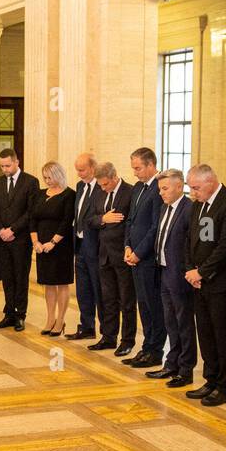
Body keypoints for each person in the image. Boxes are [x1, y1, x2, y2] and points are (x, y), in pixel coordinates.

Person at [184, 164, 226, 407]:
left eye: (196, 188)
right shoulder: (199, 204)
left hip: (220, 283)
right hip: (198, 282)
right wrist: (190, 270)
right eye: (191, 188)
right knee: (205, 333)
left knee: (222, 334)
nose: (193, 193)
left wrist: (202, 272)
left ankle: (224, 385)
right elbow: (190, 239)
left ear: (210, 182)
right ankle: (210, 379)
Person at [147, 169, 196, 388]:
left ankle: (185, 370)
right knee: (170, 322)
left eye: (165, 189)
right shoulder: (164, 208)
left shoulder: (189, 209)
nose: (161, 193)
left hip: (180, 275)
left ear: (179, 186)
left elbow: (192, 244)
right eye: (160, 189)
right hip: (164, 271)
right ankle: (171, 364)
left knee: (184, 324)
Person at [86, 162, 135, 356]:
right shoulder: (99, 192)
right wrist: (102, 219)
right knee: (108, 299)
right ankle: (108, 337)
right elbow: (89, 219)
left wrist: (129, 248)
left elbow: (131, 224)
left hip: (123, 255)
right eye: (100, 185)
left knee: (127, 301)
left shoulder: (130, 192)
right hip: (104, 254)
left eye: (106, 184)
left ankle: (127, 341)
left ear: (114, 177)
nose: (103, 188)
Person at [0, 148, 39, 331]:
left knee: (20, 277)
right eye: (2, 166)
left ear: (17, 162)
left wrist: (12, 229)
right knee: (7, 278)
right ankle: (9, 313)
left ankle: (20, 315)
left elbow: (31, 211)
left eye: (8, 165)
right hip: (2, 239)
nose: (5, 169)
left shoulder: (31, 182)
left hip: (20, 239)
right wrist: (1, 230)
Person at [123, 147, 164, 368]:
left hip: (148, 259)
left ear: (151, 165)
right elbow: (130, 220)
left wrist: (139, 253)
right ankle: (146, 347)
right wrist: (127, 246)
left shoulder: (160, 188)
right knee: (143, 305)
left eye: (138, 168)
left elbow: (155, 227)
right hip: (134, 256)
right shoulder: (138, 187)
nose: (135, 173)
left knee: (153, 305)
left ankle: (155, 351)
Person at [32, 161, 75, 336]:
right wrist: (36, 242)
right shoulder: (40, 194)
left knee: (61, 283)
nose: (47, 181)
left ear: (58, 175)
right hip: (42, 246)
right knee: (48, 283)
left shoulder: (69, 194)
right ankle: (50, 318)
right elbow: (33, 219)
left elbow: (67, 222)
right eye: (45, 178)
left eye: (50, 177)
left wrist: (53, 242)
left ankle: (60, 320)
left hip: (61, 245)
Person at [67, 153, 101, 341]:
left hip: (95, 247)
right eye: (77, 170)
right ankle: (86, 326)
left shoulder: (101, 188)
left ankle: (106, 332)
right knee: (83, 290)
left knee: (98, 290)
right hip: (79, 245)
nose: (79, 174)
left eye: (82, 170)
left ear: (93, 168)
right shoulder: (80, 186)